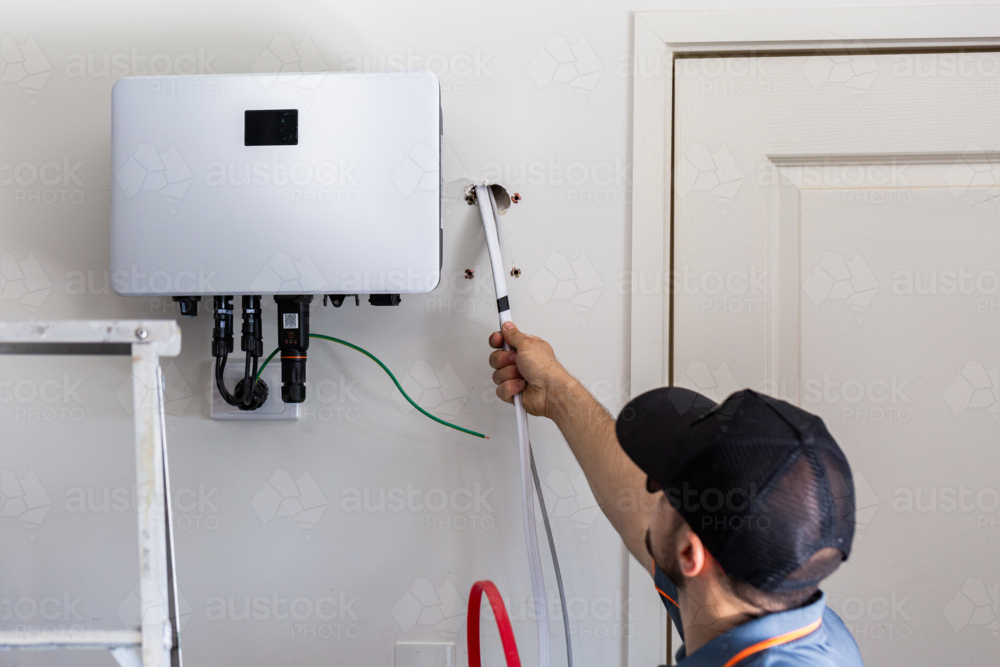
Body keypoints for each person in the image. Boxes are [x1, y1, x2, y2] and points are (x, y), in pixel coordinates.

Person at [488, 322, 865, 666]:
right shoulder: (787, 616)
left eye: (664, 488)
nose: (652, 491)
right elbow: (638, 510)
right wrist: (557, 393)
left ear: (689, 553)